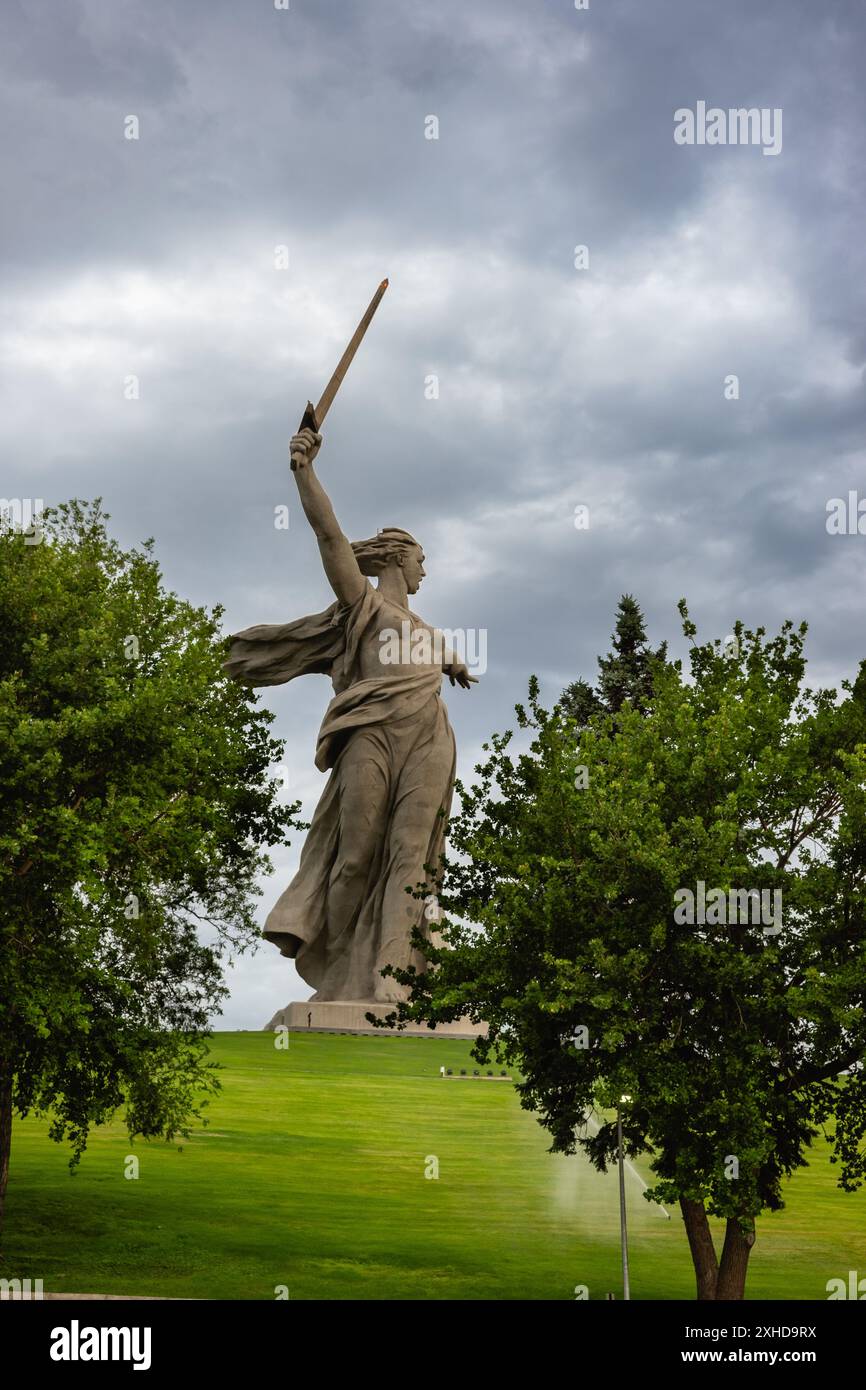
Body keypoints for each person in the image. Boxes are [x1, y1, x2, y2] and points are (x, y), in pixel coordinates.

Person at [225, 427, 476, 1003]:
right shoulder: (361, 604)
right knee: (356, 856)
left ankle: (395, 983)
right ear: (395, 558)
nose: (425, 572)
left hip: (429, 735)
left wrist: (452, 665)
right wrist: (304, 472)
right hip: (372, 736)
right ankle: (340, 971)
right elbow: (329, 535)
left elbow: (437, 655)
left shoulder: (426, 630)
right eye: (420, 560)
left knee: (414, 858)